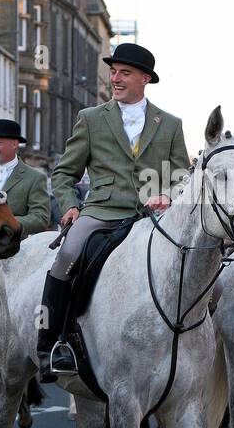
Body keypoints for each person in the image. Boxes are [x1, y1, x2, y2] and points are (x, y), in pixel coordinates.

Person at [38, 43, 191, 381]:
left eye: (125, 73)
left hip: (153, 219)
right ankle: (51, 342)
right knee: (67, 256)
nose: (115, 79)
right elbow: (64, 174)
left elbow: (184, 178)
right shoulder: (91, 119)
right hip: (102, 210)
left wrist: (168, 194)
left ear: (145, 79)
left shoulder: (170, 124)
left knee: (206, 276)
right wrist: (71, 206)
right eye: (113, 71)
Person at [0, 119, 51, 236]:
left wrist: (6, 222)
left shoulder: (34, 178)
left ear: (14, 144)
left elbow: (41, 218)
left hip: (13, 247)